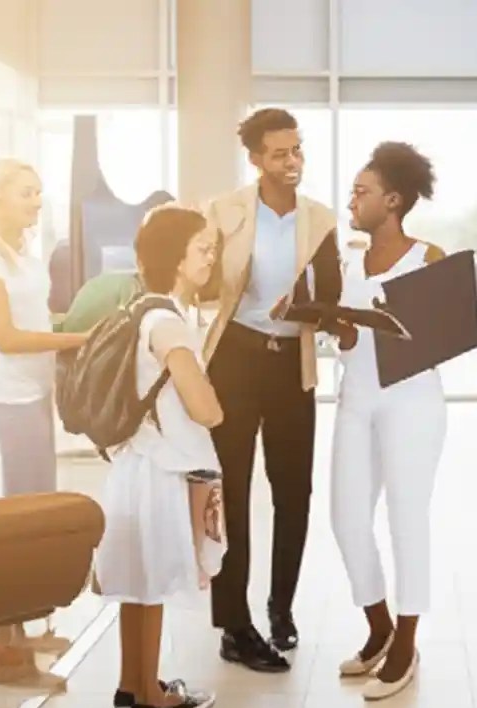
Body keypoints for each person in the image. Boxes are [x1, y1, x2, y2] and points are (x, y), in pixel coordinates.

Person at [197, 107, 345, 672]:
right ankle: (234, 625)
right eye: (279, 153)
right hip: (234, 358)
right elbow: (206, 284)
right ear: (256, 159)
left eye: (298, 150)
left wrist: (312, 307)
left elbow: (329, 294)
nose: (292, 162)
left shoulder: (321, 218)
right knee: (230, 491)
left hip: (291, 365)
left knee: (293, 492)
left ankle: (281, 609)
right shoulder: (225, 211)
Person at [0, 158, 89, 682]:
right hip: (7, 397)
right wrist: (77, 341)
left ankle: (19, 631)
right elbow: (7, 338)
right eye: (26, 194)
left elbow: (37, 321)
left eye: (38, 192)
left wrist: (78, 327)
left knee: (33, 518)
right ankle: (3, 652)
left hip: (33, 395)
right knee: (18, 524)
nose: (37, 201)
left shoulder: (22, 257)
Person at [93, 205, 223, 708]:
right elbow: (206, 409)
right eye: (203, 248)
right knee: (150, 585)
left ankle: (133, 685)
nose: (212, 257)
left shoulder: (144, 309)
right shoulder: (169, 323)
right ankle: (149, 696)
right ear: (176, 256)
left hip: (135, 464)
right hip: (160, 469)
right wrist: (214, 393)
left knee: (137, 584)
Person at [329, 142, 448, 701]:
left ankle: (407, 640)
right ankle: (377, 627)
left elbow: (444, 338)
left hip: (411, 402)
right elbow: (347, 339)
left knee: (406, 519)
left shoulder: (427, 258)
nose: (352, 200)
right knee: (347, 517)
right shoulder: (346, 261)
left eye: (362, 191)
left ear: (393, 200)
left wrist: (397, 323)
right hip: (356, 397)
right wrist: (338, 325)